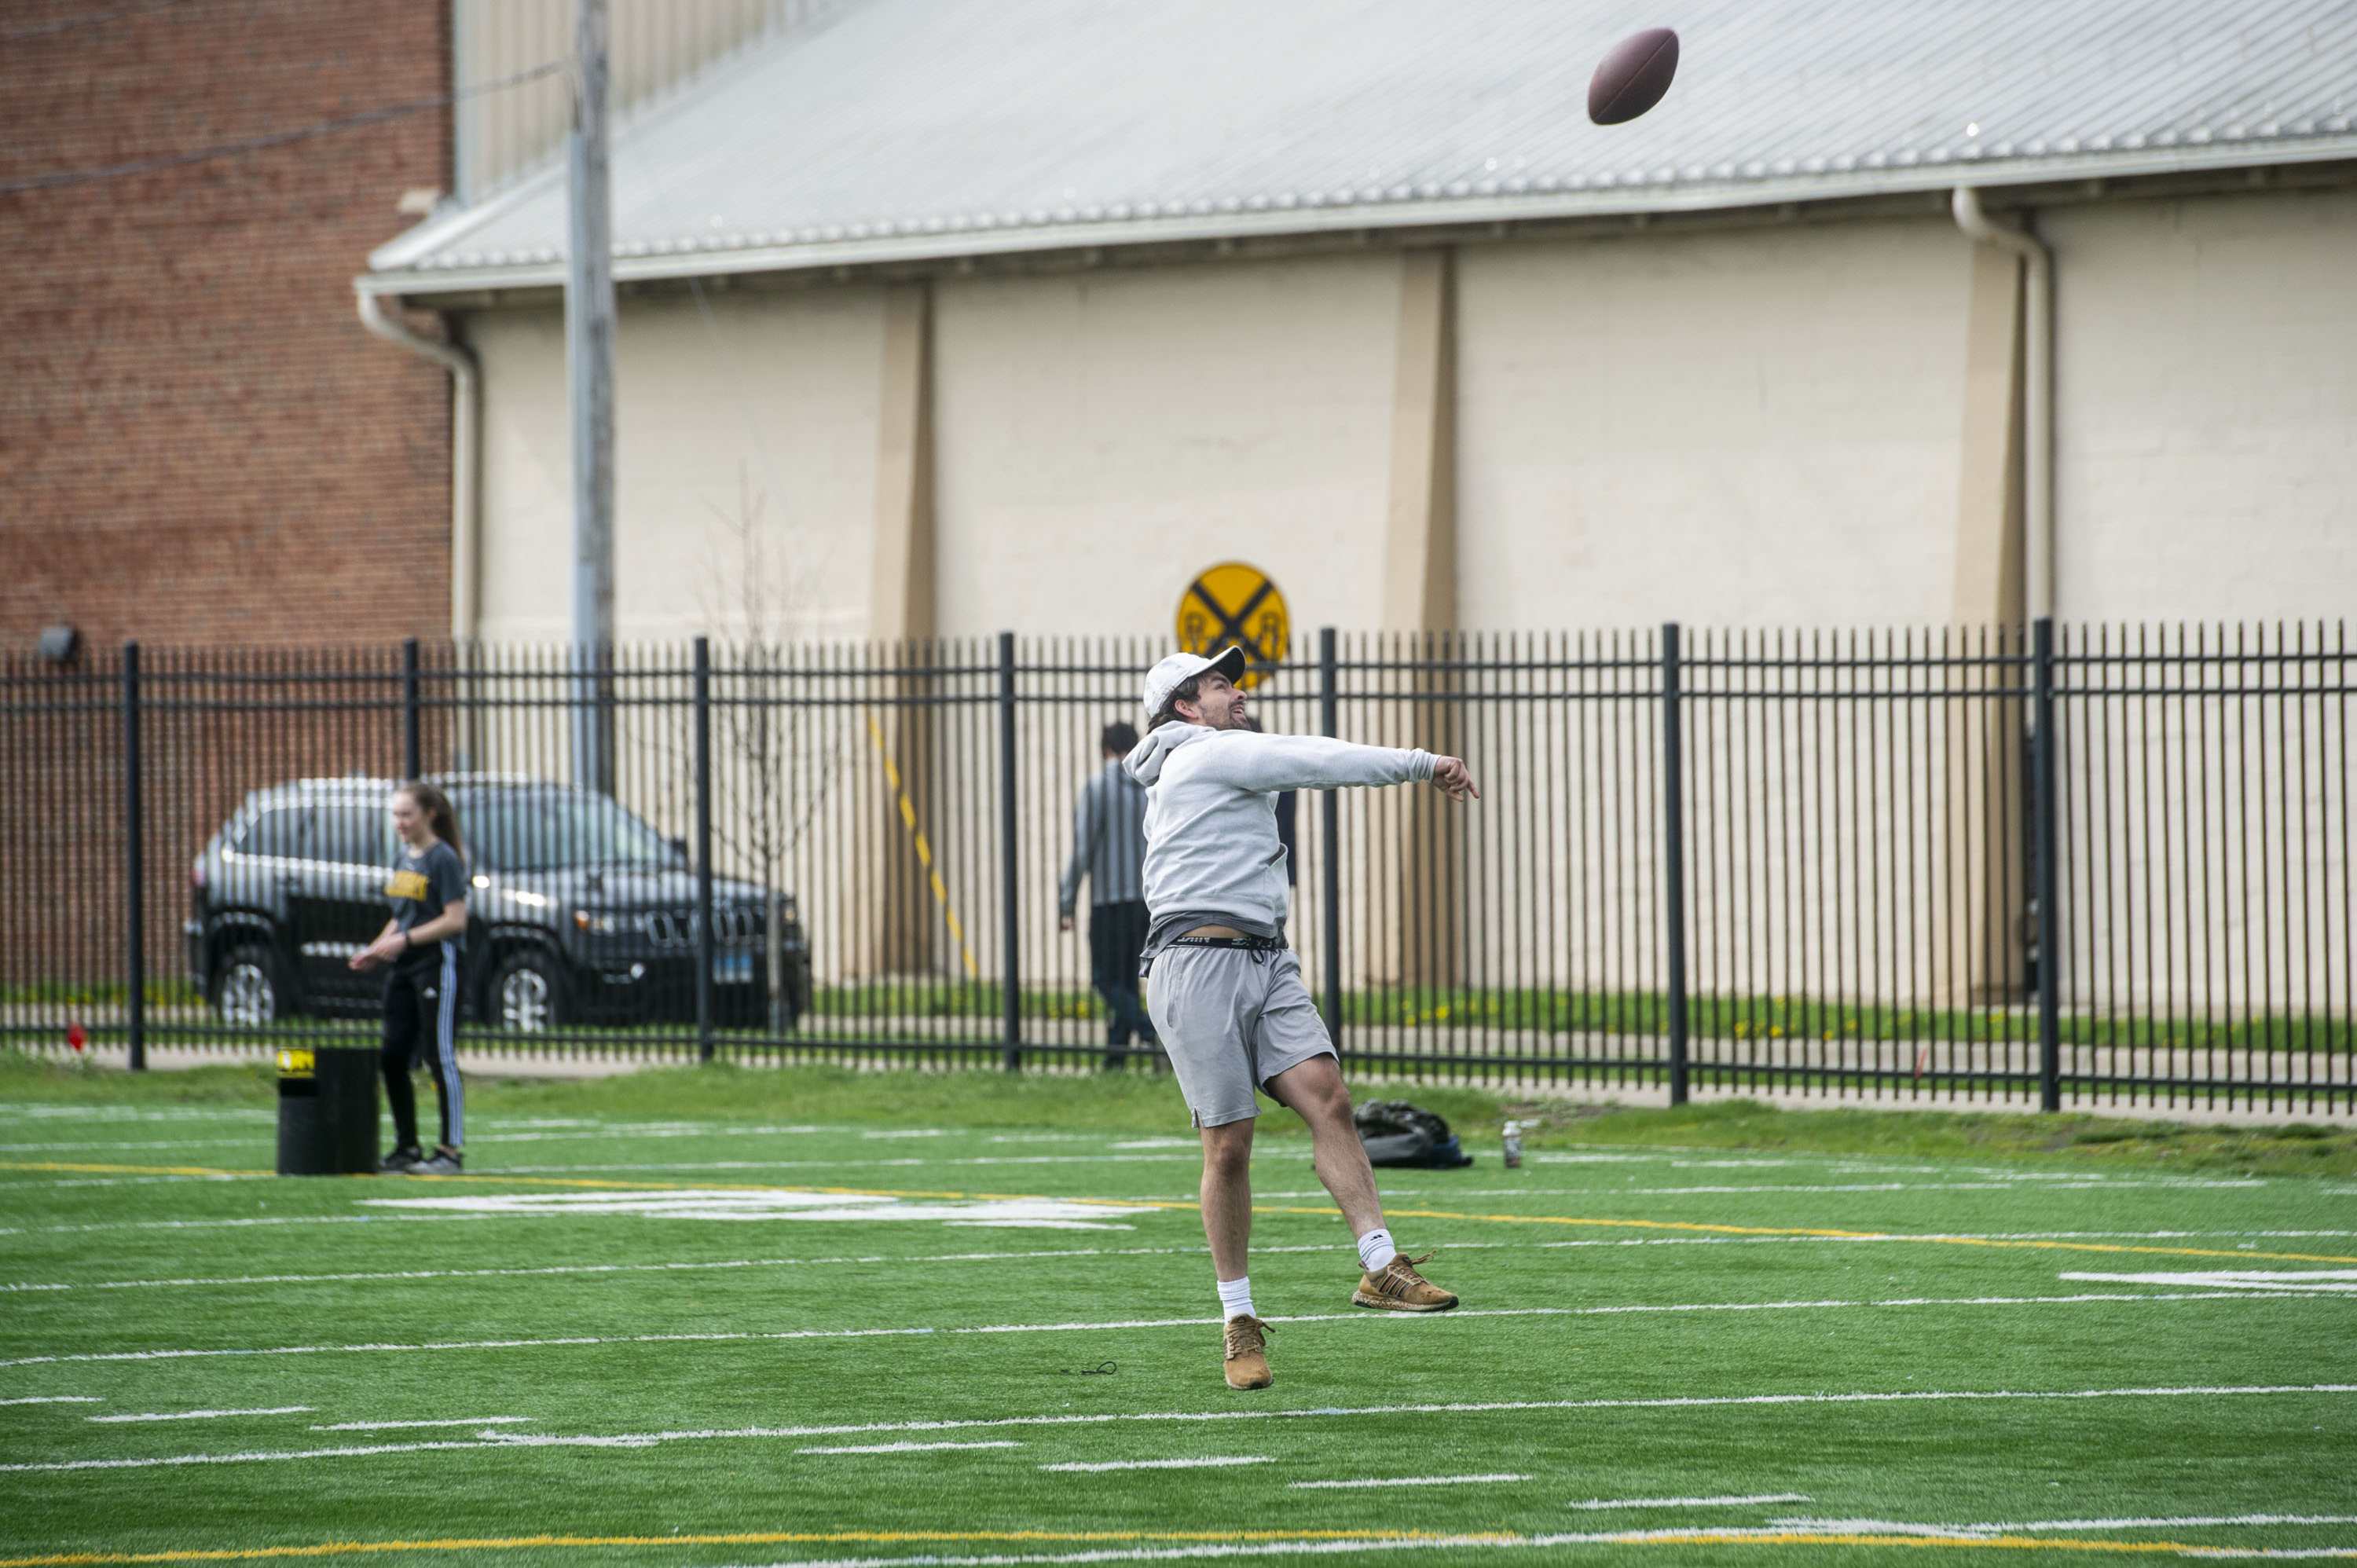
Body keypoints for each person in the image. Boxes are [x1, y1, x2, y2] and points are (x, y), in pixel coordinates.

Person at [1126, 646, 1479, 1390]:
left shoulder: (1216, 751)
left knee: (1330, 1096)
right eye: (1221, 684)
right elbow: (1319, 759)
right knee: (1229, 1149)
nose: (1239, 692)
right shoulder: (1204, 755)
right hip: (1194, 964)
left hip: (1266, 957)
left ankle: (1381, 1266)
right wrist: (1424, 763)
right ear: (1186, 707)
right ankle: (1238, 1321)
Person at [350, 780, 471, 1175]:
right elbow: (402, 916)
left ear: (428, 815)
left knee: (440, 1057)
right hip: (405, 966)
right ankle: (407, 1147)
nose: (399, 822)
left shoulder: (443, 858)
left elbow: (454, 919)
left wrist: (404, 940)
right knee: (392, 1056)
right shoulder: (404, 857)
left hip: (437, 962)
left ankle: (450, 1153)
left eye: (406, 814)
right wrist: (375, 948)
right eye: (396, 815)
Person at [1058, 720, 1157, 1068]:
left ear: (1104, 749)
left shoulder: (1098, 786)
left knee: (1103, 979)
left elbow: (1083, 848)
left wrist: (1065, 900)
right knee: (1126, 981)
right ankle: (1114, 1062)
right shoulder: (1148, 787)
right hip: (1145, 902)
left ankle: (1150, 1032)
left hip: (1108, 903)